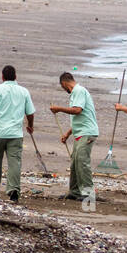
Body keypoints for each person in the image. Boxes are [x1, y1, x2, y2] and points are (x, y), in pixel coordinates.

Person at [0, 65, 35, 202]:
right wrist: (30, 125)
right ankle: (14, 190)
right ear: (15, 76)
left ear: (3, 77)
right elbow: (30, 112)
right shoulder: (24, 91)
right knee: (14, 163)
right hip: (15, 134)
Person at [49, 72, 97, 201]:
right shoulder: (77, 92)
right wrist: (68, 134)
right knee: (75, 163)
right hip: (80, 132)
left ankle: (88, 194)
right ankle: (75, 191)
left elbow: (77, 110)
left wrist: (59, 108)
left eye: (62, 87)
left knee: (82, 162)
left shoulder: (79, 91)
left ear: (64, 83)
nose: (64, 89)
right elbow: (80, 117)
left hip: (87, 132)